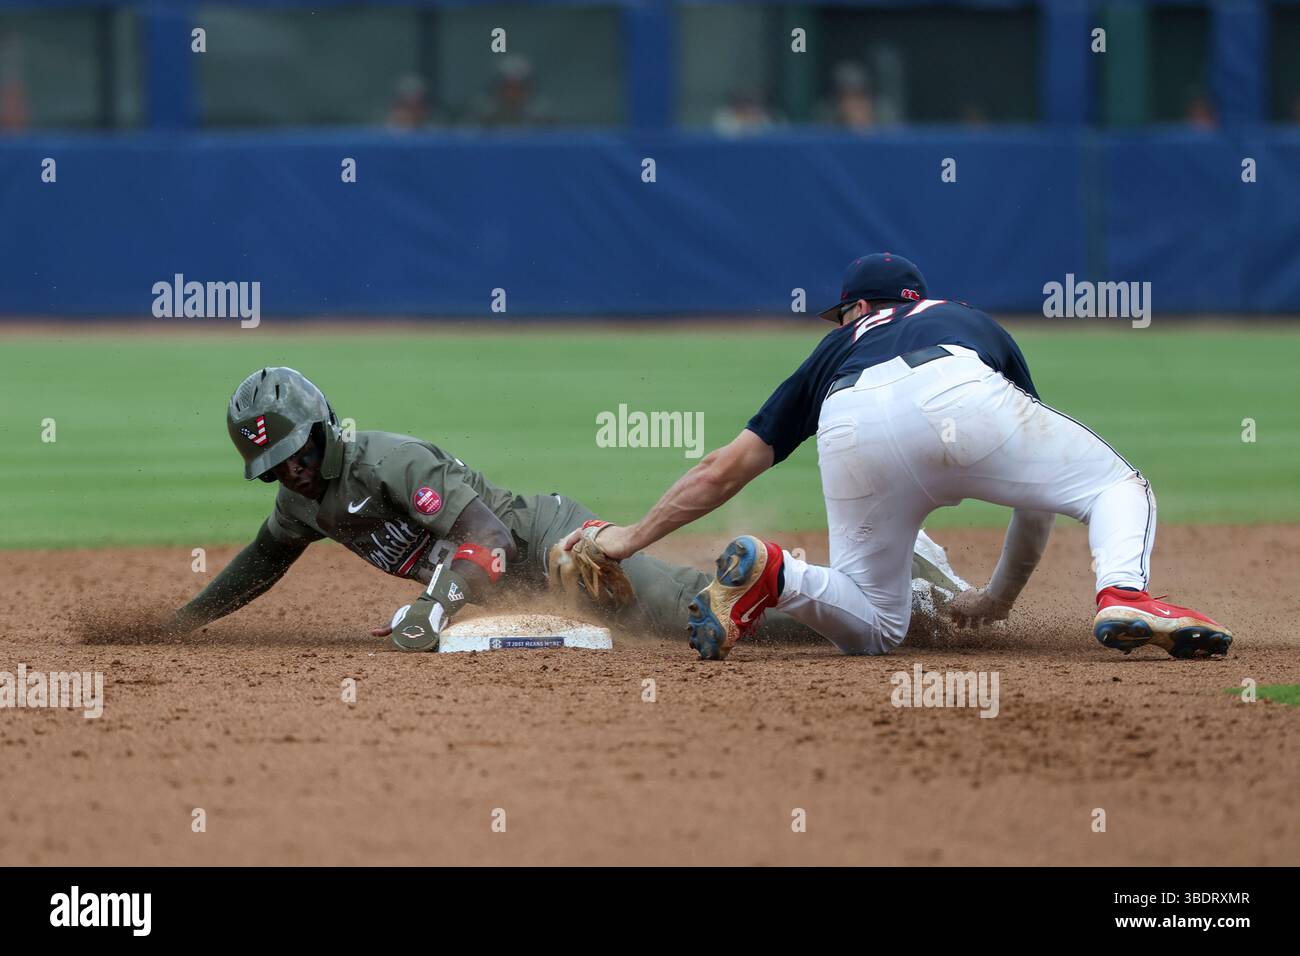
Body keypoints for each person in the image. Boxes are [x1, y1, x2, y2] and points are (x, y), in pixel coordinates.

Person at [563, 253, 1234, 662]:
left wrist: (626, 539)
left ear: (855, 308)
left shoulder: (834, 350)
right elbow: (1038, 501)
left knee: (877, 627)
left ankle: (778, 576)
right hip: (960, 393)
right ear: (917, 299)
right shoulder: (969, 317)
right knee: (1116, 486)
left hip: (848, 423)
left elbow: (723, 469)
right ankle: (1122, 590)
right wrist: (995, 599)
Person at [163, 367, 966, 651]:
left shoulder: (388, 461)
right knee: (677, 624)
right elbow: (263, 559)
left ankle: (902, 601)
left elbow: (480, 536)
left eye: (297, 452)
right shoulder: (303, 503)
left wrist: (433, 608)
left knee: (694, 609)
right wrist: (183, 623)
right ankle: (857, 603)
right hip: (512, 595)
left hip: (554, 547)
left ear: (322, 427)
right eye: (274, 467)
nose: (291, 473)